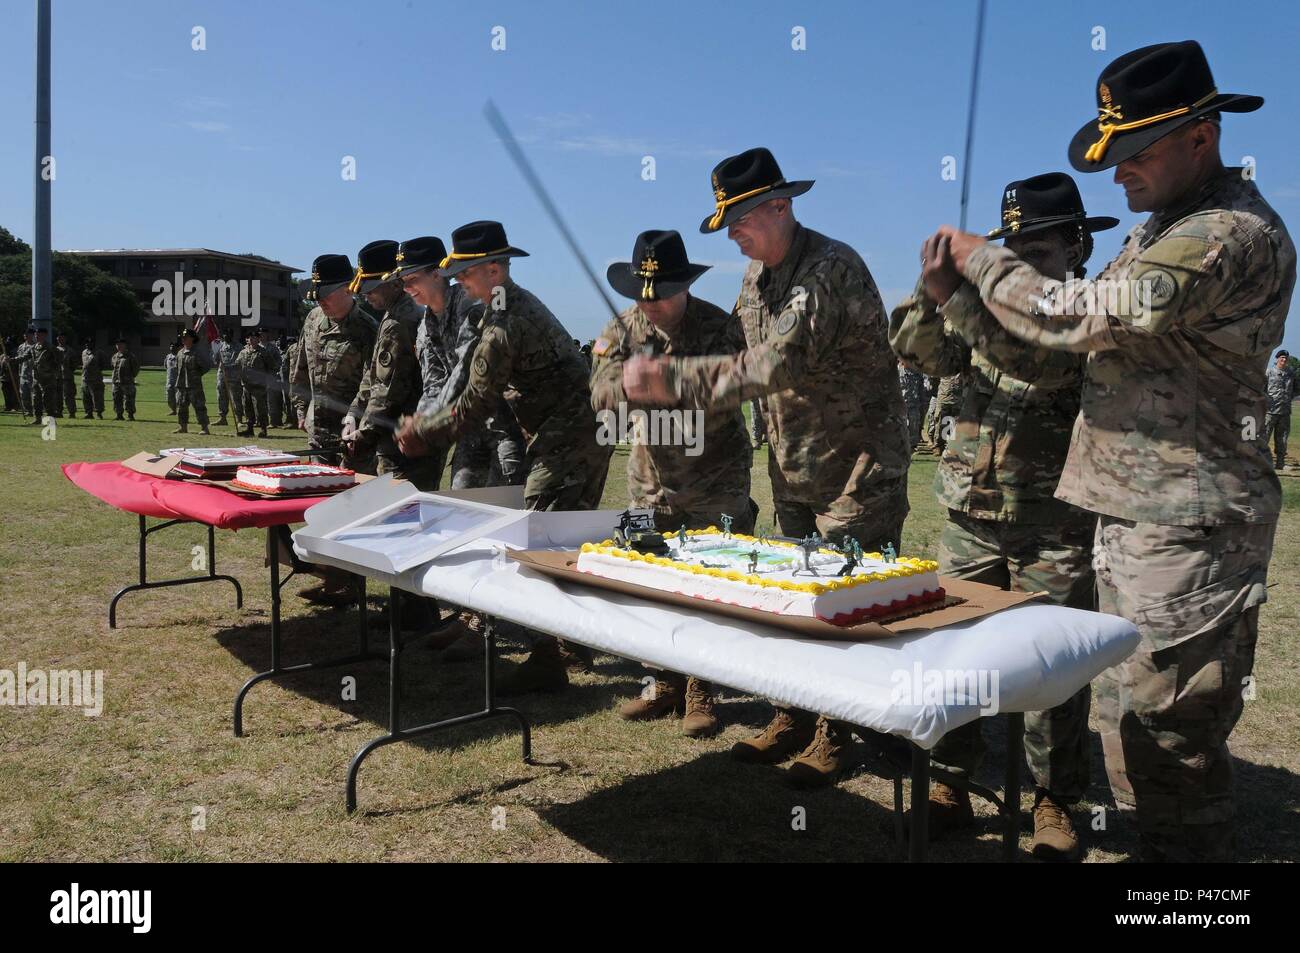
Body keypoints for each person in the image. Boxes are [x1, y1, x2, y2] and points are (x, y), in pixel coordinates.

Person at [929, 40, 1294, 861]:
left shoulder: (1224, 235)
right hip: (1138, 521)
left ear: (1201, 137)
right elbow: (1059, 352)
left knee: (1173, 744)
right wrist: (961, 303)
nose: (1117, 173)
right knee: (1133, 730)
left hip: (1190, 530)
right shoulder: (1160, 228)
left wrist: (983, 261)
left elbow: (1081, 316)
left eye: (1135, 151)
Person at [622, 147, 912, 787]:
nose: (733, 234)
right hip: (794, 470)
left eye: (742, 219)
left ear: (780, 206)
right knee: (795, 602)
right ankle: (795, 717)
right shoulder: (755, 280)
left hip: (856, 473)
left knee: (845, 607)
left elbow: (772, 366)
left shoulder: (829, 269)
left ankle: (839, 735)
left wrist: (669, 378)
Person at [891, 171, 1119, 860]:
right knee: (959, 655)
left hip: (1053, 519)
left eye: (1039, 254)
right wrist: (932, 294)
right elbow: (914, 348)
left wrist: (963, 299)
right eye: (1011, 252)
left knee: (1053, 667)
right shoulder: (977, 303)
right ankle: (952, 783)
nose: (1022, 267)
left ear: (1075, 247)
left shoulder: (1089, 308)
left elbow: (1042, 363)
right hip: (968, 511)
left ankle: (1054, 797)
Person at [396, 221, 612, 694]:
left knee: (538, 539)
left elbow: (474, 403)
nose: (459, 283)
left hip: (570, 436)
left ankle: (547, 657)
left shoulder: (504, 322)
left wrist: (423, 432)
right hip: (573, 432)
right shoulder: (497, 312)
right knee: (564, 540)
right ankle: (573, 638)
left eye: (466, 274)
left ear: (493, 268)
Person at [592, 228, 755, 737]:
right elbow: (598, 395)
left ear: (683, 285)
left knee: (709, 585)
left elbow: (736, 389)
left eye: (662, 293)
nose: (652, 304)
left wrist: (669, 381)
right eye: (643, 294)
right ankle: (661, 681)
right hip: (649, 483)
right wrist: (623, 385)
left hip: (716, 479)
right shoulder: (620, 330)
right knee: (652, 581)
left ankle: (701, 686)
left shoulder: (718, 328)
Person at [343, 240, 439, 486]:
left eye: (372, 286)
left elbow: (388, 390)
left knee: (404, 513)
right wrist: (354, 413)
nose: (365, 293)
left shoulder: (399, 322)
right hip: (400, 434)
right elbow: (373, 373)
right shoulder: (393, 313)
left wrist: (363, 432)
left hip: (403, 440)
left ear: (394, 282)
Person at [236, 328, 276, 438]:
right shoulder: (243, 352)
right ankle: (249, 429)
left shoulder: (263, 352)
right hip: (246, 386)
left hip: (258, 387)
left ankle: (263, 429)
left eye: (254, 338)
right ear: (247, 340)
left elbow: (272, 366)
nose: (252, 340)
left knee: (260, 409)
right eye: (250, 338)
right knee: (247, 408)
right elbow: (237, 365)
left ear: (258, 339)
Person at [172, 327, 211, 435]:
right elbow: (177, 367)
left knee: (199, 407)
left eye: (186, 337)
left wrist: (196, 375)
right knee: (181, 407)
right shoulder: (180, 353)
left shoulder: (197, 352)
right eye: (182, 338)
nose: (183, 339)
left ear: (192, 339)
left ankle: (204, 428)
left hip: (194, 385)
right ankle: (183, 427)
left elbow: (206, 366)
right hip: (181, 385)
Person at [1263, 350, 1294, 470]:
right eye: (1282, 357)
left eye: (1286, 358)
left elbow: (1295, 389)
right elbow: (1262, 389)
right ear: (1277, 359)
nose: (1284, 360)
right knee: (1265, 436)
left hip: (1285, 412)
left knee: (1282, 438)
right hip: (1270, 411)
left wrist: (1286, 399)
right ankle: (1263, 462)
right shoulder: (1269, 372)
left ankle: (1280, 463)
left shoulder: (1291, 373)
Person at [215, 329, 244, 429]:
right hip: (222, 375)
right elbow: (215, 360)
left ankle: (239, 419)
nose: (227, 336)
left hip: (234, 375)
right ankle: (222, 418)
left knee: (236, 397)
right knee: (221, 395)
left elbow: (241, 361)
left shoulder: (239, 347)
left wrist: (231, 367)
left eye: (229, 334)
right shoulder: (220, 346)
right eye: (225, 334)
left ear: (232, 335)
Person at [897, 359, 925, 451]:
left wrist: (922, 403)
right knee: (899, 429)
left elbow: (921, 390)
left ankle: (911, 449)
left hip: (914, 405)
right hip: (900, 407)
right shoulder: (896, 372)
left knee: (913, 428)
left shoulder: (917, 373)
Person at [110, 336, 140, 421]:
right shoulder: (114, 356)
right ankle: (119, 415)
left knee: (129, 399)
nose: (118, 346)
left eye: (120, 344)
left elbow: (136, 368)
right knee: (117, 398)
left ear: (125, 345)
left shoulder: (130, 356)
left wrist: (130, 377)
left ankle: (130, 415)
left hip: (127, 382)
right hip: (116, 382)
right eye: (117, 344)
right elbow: (113, 366)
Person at [262, 334, 284, 428]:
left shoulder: (273, 348)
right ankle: (262, 420)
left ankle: (273, 421)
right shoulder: (256, 348)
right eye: (260, 335)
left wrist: (274, 368)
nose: (262, 337)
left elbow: (279, 361)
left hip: (271, 376)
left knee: (272, 399)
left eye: (264, 334)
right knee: (261, 400)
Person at [81, 338, 105, 419]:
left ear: (93, 344)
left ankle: (99, 413)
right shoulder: (84, 352)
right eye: (86, 343)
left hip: (95, 379)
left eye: (89, 343)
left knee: (97, 397)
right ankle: (89, 413)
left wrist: (96, 372)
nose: (87, 344)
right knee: (86, 397)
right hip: (85, 378)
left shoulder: (99, 353)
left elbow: (103, 365)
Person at [15, 327, 36, 416]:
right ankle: (28, 411)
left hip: (32, 373)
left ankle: (36, 411)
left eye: (28, 334)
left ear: (32, 335)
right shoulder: (21, 346)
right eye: (25, 334)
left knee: (34, 394)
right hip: (23, 373)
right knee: (23, 394)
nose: (26, 335)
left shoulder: (35, 346)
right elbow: (19, 360)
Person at [164, 341, 179, 415]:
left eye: (173, 346)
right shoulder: (168, 356)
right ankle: (173, 410)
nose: (172, 347)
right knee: (169, 397)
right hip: (169, 381)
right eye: (171, 346)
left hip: (178, 381)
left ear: (177, 348)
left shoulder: (180, 356)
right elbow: (166, 367)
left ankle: (180, 411)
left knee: (179, 398)